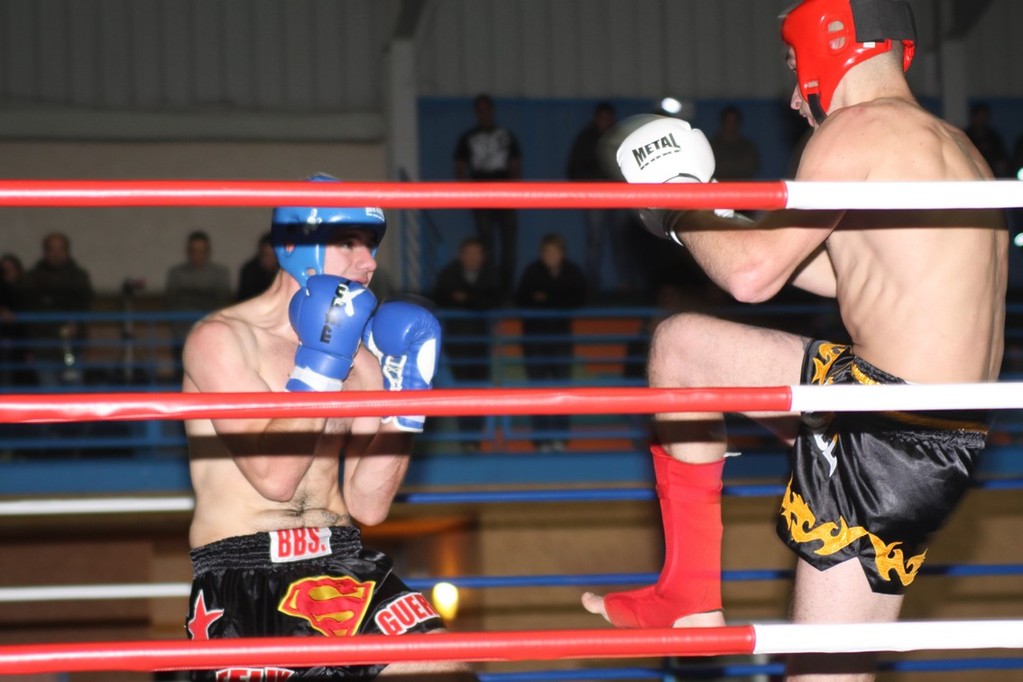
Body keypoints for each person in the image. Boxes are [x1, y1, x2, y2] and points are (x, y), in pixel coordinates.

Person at [581, 2, 1006, 680]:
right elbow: (840, 275)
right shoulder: (954, 147)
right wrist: (714, 207)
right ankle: (686, 600)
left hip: (879, 421)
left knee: (681, 343)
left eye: (790, 66)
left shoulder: (855, 129)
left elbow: (751, 277)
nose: (791, 95)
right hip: (941, 430)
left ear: (827, 43)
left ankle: (689, 601)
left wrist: (674, 202)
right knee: (835, 673)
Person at [181, 175, 475, 680]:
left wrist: (408, 402)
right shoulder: (222, 340)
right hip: (245, 571)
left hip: (344, 560)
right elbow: (273, 479)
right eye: (349, 245)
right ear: (297, 247)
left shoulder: (361, 359)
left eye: (371, 246)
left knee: (448, 669)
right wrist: (320, 362)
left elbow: (369, 504)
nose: (370, 263)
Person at [514, 233, 588, 451]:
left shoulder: (572, 272)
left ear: (562, 253)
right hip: (534, 340)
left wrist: (548, 298)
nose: (551, 256)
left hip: (561, 340)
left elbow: (579, 298)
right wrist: (557, 298)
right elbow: (522, 299)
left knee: (562, 390)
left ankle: (560, 439)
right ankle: (541, 439)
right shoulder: (531, 271)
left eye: (555, 251)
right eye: (547, 252)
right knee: (537, 390)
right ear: (541, 253)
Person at [432, 236, 502, 450]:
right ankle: (466, 438)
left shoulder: (491, 275)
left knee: (479, 390)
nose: (472, 258)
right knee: (461, 391)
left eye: (476, 254)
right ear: (461, 256)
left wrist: (467, 298)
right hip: (457, 344)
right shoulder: (448, 274)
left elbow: (494, 299)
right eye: (468, 253)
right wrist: (475, 300)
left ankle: (475, 437)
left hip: (482, 344)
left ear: (483, 257)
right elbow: (440, 297)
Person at [565, 101, 642, 295]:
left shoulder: (621, 139)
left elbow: (634, 165)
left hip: (620, 197)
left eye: (608, 118)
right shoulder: (585, 138)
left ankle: (627, 284)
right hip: (595, 196)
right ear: (596, 118)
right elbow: (573, 169)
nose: (605, 121)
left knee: (623, 240)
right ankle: (591, 287)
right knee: (595, 242)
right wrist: (591, 183)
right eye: (602, 118)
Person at [453, 93, 522, 296]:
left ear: (492, 111)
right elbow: (459, 166)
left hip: (505, 193)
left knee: (509, 244)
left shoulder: (505, 136)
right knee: (486, 244)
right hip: (480, 193)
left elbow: (515, 164)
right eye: (480, 110)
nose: (483, 114)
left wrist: (514, 191)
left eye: (486, 109)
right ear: (476, 113)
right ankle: (492, 289)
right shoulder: (468, 137)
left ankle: (507, 288)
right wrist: (467, 191)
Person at [22, 232, 94, 388]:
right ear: (45, 252)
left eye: (60, 249)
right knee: (49, 397)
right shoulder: (32, 278)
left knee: (74, 399)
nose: (56, 254)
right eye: (52, 249)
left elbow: (85, 305)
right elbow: (30, 309)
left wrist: (77, 326)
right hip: (44, 348)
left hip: (72, 347)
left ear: (67, 251)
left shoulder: (79, 276)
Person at [165, 230, 232, 378]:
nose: (198, 255)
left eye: (202, 251)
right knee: (182, 379)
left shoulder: (220, 274)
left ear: (208, 252)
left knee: (211, 378)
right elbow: (173, 303)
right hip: (182, 334)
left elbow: (220, 304)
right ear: (188, 252)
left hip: (211, 335)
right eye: (194, 251)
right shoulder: (176, 274)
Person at [708, 105, 761, 182]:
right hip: (718, 189)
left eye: (734, 122)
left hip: (742, 189)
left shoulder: (747, 147)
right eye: (728, 122)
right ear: (723, 123)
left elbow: (751, 167)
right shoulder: (712, 146)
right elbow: (711, 168)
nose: (731, 126)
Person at [964, 102, 1010, 178]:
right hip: (971, 174)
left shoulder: (994, 137)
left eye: (984, 117)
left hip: (991, 175)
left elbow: (1002, 157)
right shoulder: (966, 136)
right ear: (973, 117)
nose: (981, 120)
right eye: (979, 117)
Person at [235, 231, 278, 302]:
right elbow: (244, 299)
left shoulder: (285, 271)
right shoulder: (249, 271)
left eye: (273, 256)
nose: (270, 260)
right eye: (266, 255)